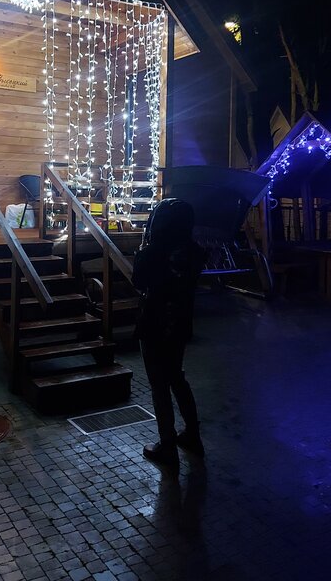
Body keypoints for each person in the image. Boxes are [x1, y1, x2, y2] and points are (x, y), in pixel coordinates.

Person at [132, 198, 207, 468]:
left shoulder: (152, 252)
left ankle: (167, 445)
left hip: (154, 323)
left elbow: (138, 282)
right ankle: (192, 435)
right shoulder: (195, 252)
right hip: (180, 322)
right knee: (177, 377)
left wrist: (142, 250)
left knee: (159, 385)